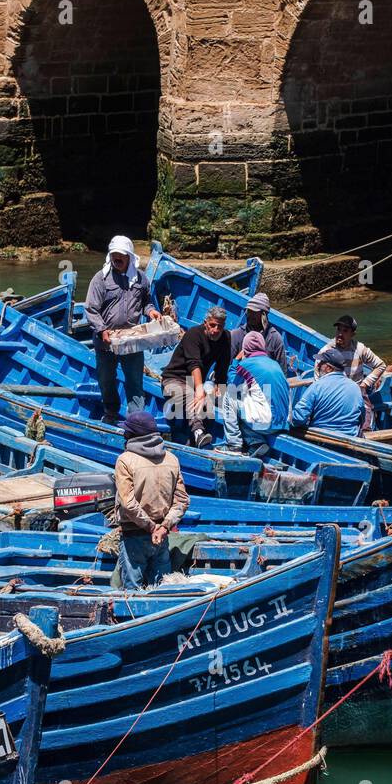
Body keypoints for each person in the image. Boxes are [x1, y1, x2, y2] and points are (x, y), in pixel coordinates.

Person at [85, 236, 161, 424]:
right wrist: (102, 330)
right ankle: (111, 411)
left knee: (135, 381)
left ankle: (136, 419)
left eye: (121, 256)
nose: (117, 259)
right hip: (106, 341)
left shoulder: (141, 279)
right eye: (114, 255)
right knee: (106, 379)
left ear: (129, 257)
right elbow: (91, 309)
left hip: (132, 339)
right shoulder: (100, 279)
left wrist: (151, 311)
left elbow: (146, 302)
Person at [113, 411, 190, 589]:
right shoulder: (172, 459)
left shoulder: (125, 460)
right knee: (163, 588)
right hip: (161, 537)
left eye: (126, 432)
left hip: (134, 535)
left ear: (132, 435)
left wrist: (152, 527)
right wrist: (163, 527)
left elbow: (128, 504)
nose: (124, 435)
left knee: (132, 590)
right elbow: (182, 501)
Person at [160, 306, 230, 448]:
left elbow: (223, 366)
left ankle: (197, 442)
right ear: (205, 322)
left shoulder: (225, 337)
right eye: (212, 325)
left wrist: (220, 390)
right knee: (192, 396)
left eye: (220, 327)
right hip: (174, 379)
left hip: (194, 382)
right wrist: (199, 389)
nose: (216, 330)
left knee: (214, 403)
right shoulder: (193, 335)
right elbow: (194, 364)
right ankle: (198, 432)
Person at [313, 315, 391, 430]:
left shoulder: (359, 349)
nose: (340, 334)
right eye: (338, 329)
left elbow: (380, 365)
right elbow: (318, 384)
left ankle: (365, 432)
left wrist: (364, 385)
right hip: (333, 394)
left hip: (357, 393)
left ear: (352, 334)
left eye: (345, 331)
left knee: (365, 421)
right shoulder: (325, 353)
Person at [222, 331, 290, 457]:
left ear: (245, 348)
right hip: (282, 423)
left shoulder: (246, 364)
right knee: (248, 403)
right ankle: (256, 443)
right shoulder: (274, 364)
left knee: (229, 397)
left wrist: (236, 361)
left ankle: (233, 445)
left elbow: (232, 384)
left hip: (266, 423)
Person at [289, 351, 365, 437]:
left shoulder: (317, 386)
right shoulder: (355, 387)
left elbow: (298, 418)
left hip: (321, 440)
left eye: (321, 363)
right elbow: (361, 417)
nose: (318, 365)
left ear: (329, 368)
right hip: (350, 440)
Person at [230, 293, 289, 373]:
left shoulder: (275, 338)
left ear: (264, 315)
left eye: (254, 312)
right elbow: (225, 368)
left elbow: (282, 371)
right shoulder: (236, 335)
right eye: (249, 311)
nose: (250, 315)